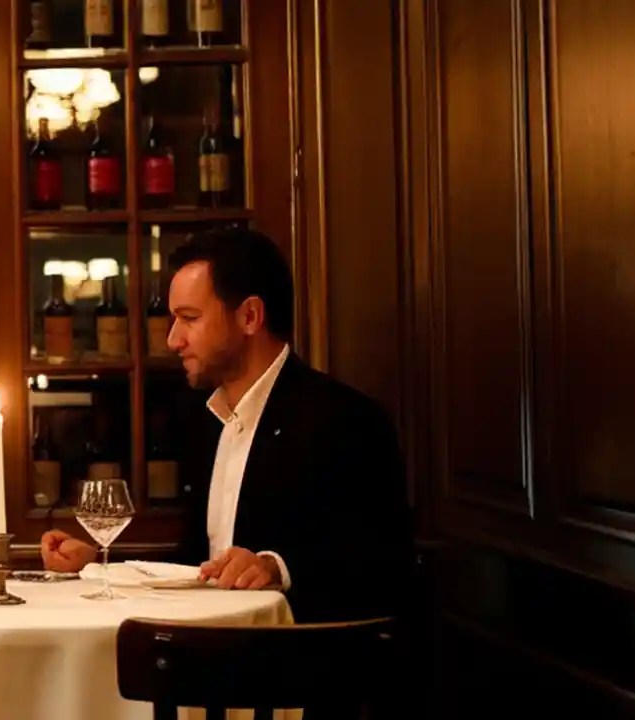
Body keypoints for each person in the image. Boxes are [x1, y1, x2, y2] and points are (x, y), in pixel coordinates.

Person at [41, 227, 413, 623]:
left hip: (297, 669)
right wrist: (99, 564)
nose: (172, 340)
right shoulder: (205, 420)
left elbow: (382, 567)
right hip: (210, 655)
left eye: (189, 318)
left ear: (250, 316)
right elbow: (194, 568)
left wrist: (275, 568)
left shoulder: (347, 420)